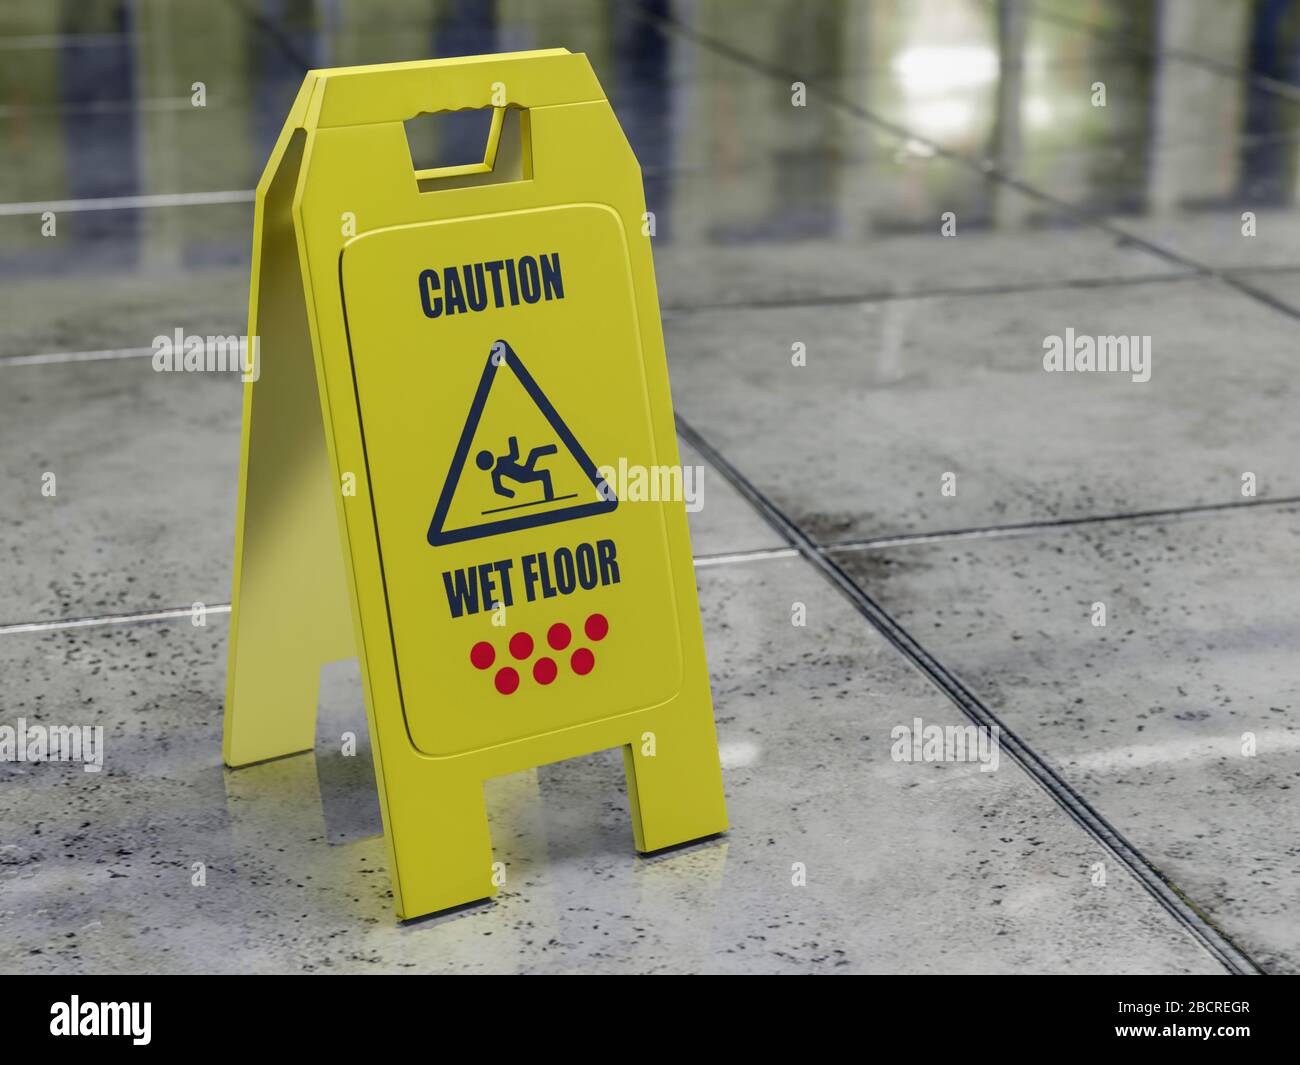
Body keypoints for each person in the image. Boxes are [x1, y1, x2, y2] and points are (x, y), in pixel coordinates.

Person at [476, 436, 558, 501]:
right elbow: (498, 488)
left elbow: (515, 456)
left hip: (525, 469)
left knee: (536, 455)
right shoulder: (496, 471)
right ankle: (550, 498)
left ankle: (555, 448)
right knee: (544, 474)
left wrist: (512, 442)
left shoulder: (500, 461)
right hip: (523, 476)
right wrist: (510, 493)